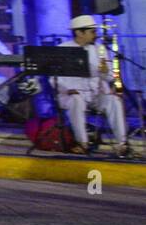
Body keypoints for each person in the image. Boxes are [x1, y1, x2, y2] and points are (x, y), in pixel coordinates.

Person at [55, 15, 132, 157]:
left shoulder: (100, 50)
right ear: (79, 32)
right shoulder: (63, 49)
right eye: (92, 31)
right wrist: (68, 89)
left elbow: (109, 77)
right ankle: (82, 143)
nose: (95, 35)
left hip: (95, 94)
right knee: (76, 101)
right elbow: (54, 78)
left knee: (114, 101)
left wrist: (105, 73)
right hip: (72, 95)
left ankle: (122, 144)